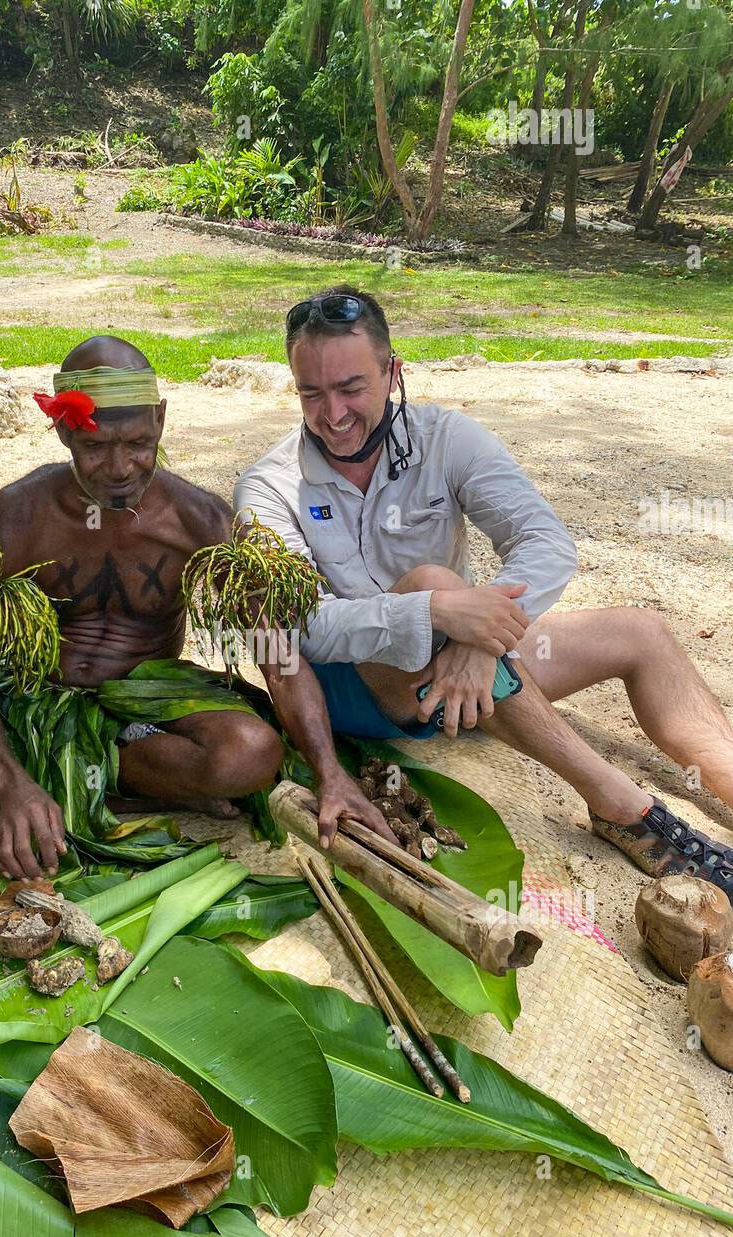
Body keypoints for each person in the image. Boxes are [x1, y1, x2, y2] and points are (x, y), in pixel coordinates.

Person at [0, 335, 392, 878]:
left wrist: (330, 773)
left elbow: (277, 658)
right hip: (24, 701)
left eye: (138, 444)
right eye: (95, 447)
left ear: (160, 420)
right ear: (64, 434)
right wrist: (11, 783)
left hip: (133, 711)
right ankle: (72, 792)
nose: (118, 469)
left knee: (249, 753)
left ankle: (67, 787)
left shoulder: (202, 523)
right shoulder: (20, 514)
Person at [233, 285, 733, 902]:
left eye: (351, 389)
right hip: (362, 691)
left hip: (470, 678)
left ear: (393, 372)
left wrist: (480, 636)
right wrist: (440, 610)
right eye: (312, 393)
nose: (332, 414)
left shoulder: (449, 437)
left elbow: (545, 541)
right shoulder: (267, 485)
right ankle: (617, 801)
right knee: (434, 583)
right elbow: (301, 628)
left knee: (642, 633)